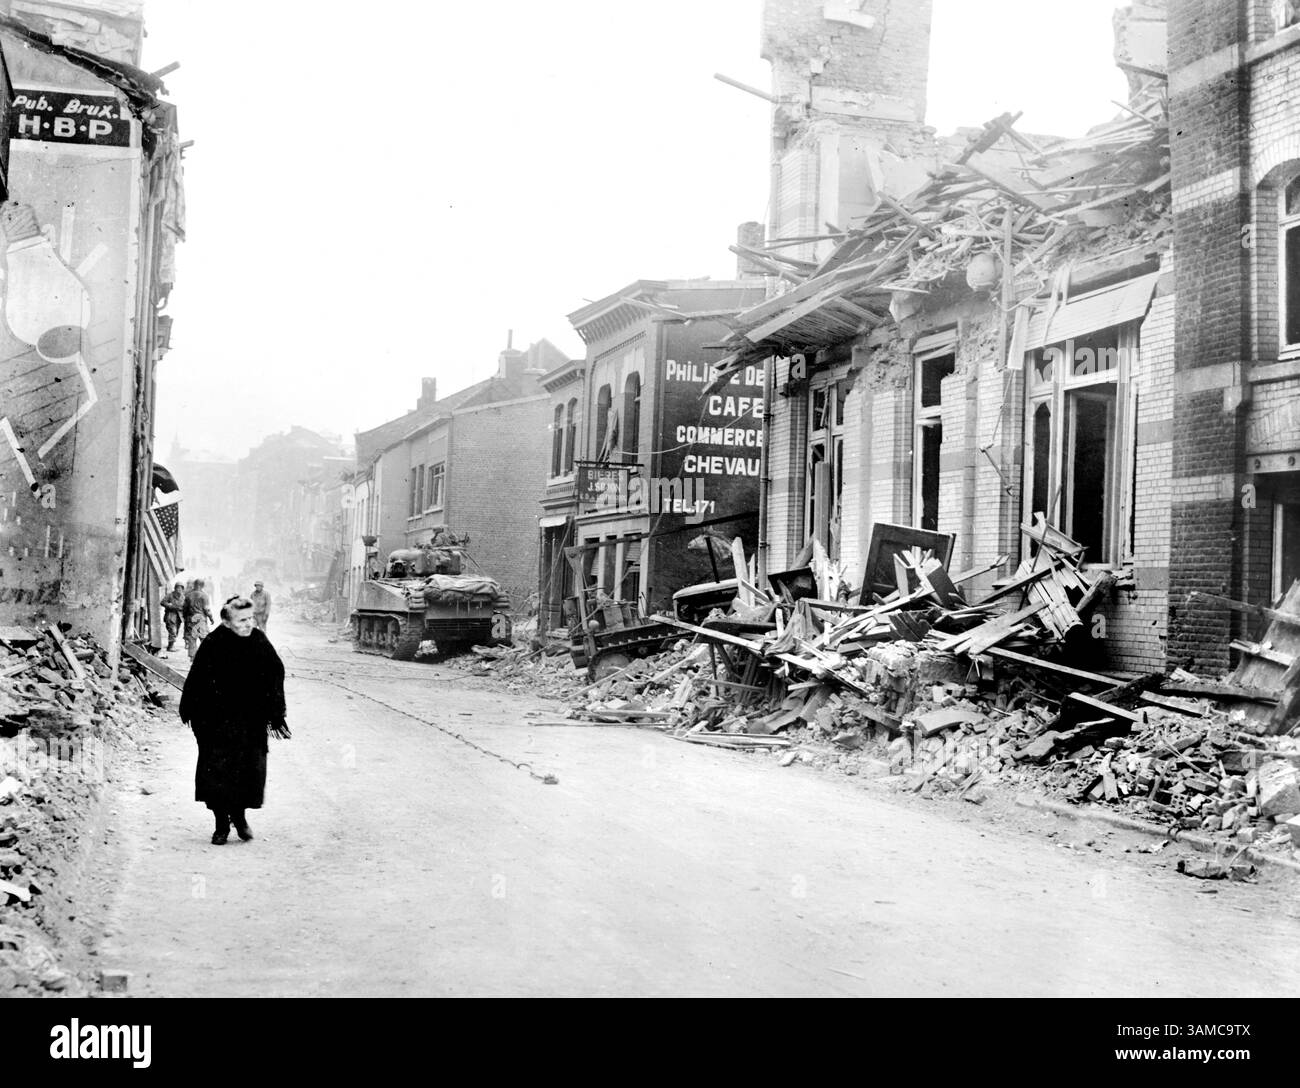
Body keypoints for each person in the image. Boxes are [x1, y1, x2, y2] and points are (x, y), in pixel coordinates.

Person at [180, 595, 290, 845]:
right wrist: (197, 715)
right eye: (242, 620)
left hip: (249, 722)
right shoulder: (214, 643)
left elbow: (276, 670)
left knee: (246, 772)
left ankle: (239, 819)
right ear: (227, 622)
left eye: (250, 618)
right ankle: (221, 824)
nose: (248, 623)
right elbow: (196, 679)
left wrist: (273, 709)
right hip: (217, 723)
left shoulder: (259, 640)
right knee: (217, 772)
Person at [182, 578, 214, 660]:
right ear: (202, 585)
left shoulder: (188, 595)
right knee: (204, 637)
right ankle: (206, 655)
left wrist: (185, 617)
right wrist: (211, 618)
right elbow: (207, 609)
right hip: (201, 619)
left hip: (190, 619)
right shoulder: (204, 595)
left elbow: (184, 608)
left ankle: (192, 657)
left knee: (192, 638)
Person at [162, 582, 186, 652]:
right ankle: (170, 647)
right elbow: (163, 602)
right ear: (175, 588)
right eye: (177, 588)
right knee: (173, 631)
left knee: (176, 631)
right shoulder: (170, 595)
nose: (179, 589)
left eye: (181, 588)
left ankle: (171, 644)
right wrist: (170, 606)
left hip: (179, 616)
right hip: (171, 615)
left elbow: (185, 605)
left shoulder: (183, 597)